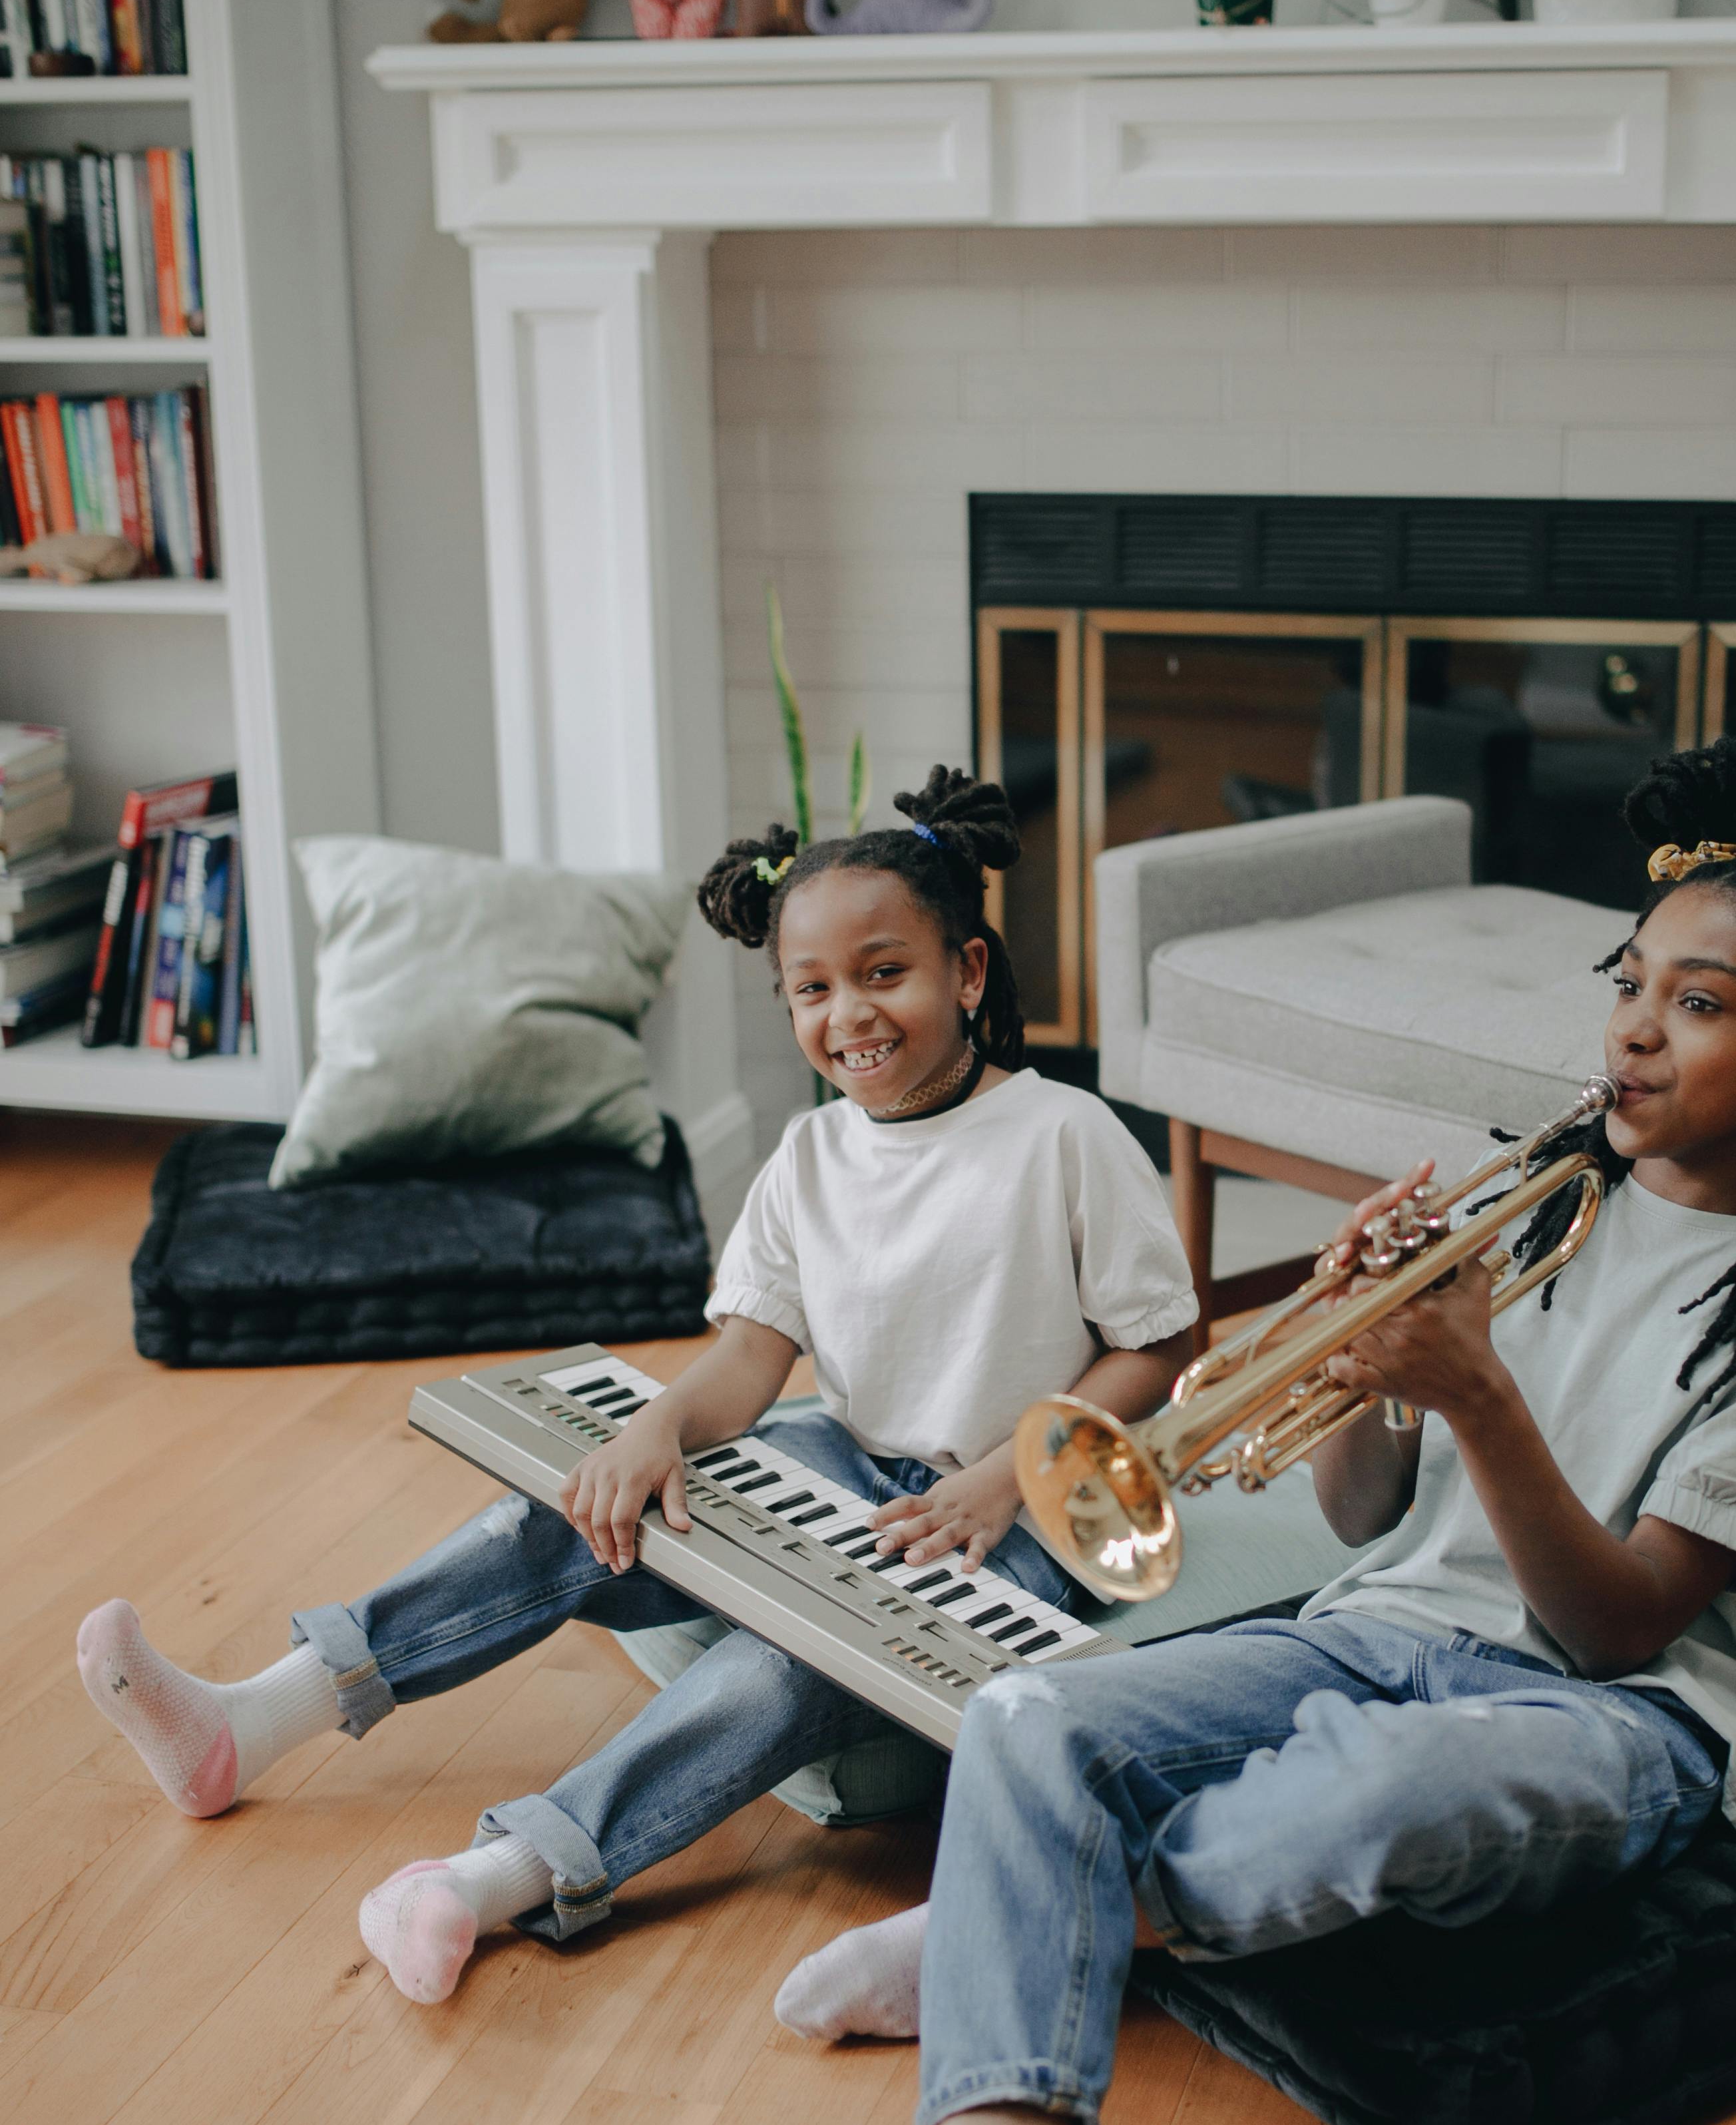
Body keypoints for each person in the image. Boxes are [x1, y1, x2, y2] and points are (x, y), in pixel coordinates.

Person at [628, 737, 1736, 2125]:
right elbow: (1355, 1516)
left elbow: (1610, 1627)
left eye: (1701, 1003)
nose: (1636, 1035)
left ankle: (1038, 1920)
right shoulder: (1534, 1198)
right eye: (1629, 986)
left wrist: (1477, 1390)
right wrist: (1363, 1350)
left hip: (1619, 1716)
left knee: (1358, 1800)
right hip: (1373, 1624)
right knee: (1031, 1720)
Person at [75, 766, 1197, 2007]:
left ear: (969, 972)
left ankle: (499, 1876)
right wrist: (658, 1425)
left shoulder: (1064, 1133)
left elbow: (1159, 1345)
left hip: (1023, 1513)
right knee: (575, 1503)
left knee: (788, 1662)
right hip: (849, 1463)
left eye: (887, 973)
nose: (851, 1015)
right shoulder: (810, 1152)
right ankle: (252, 1720)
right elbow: (753, 1356)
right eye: (813, 989)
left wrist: (1003, 1476)